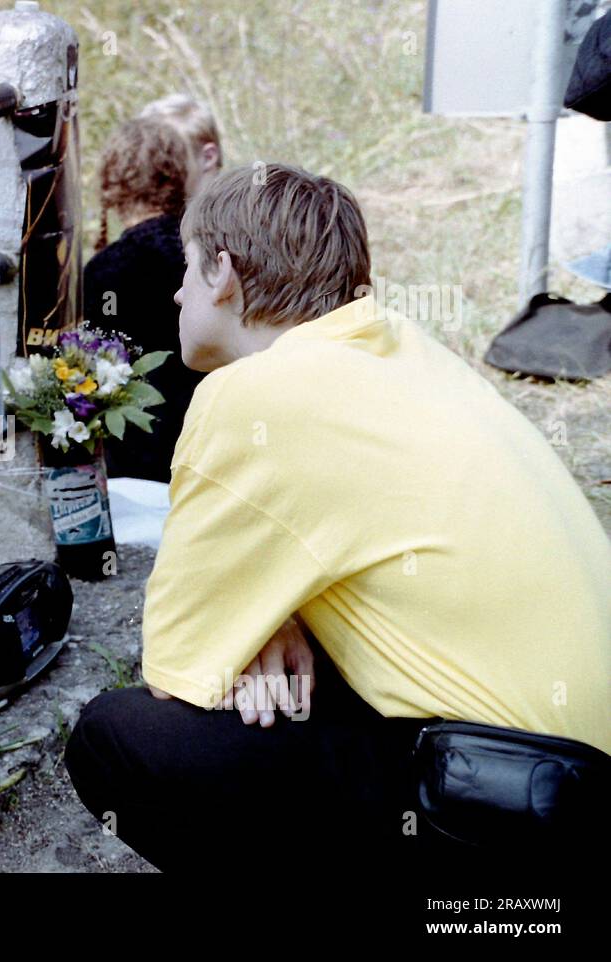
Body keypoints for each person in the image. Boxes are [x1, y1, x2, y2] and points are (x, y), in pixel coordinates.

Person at [65, 163, 611, 868]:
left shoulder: (252, 395)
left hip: (517, 806)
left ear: (223, 274)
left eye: (188, 268)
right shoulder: (403, 349)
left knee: (116, 740)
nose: (174, 290)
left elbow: (178, 669)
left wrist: (248, 622)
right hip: (568, 773)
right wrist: (277, 614)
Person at [84, 104, 222, 482]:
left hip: (141, 457)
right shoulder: (210, 250)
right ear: (180, 175)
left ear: (113, 186)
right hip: (215, 435)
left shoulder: (104, 270)